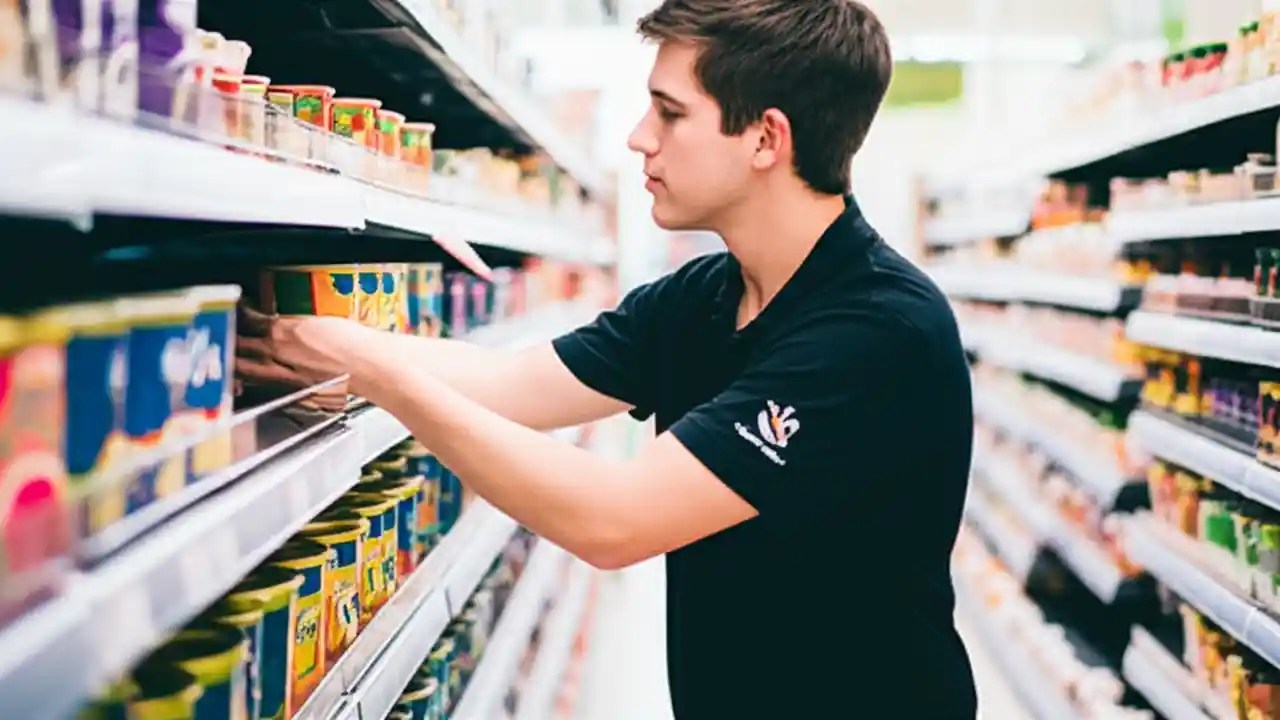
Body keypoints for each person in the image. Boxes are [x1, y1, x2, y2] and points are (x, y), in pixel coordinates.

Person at [238, 0, 977, 716]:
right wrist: (331, 344)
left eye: (670, 112)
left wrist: (376, 374)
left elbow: (613, 520)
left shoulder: (879, 332)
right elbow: (512, 384)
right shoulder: (703, 297)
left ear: (765, 138)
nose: (637, 137)